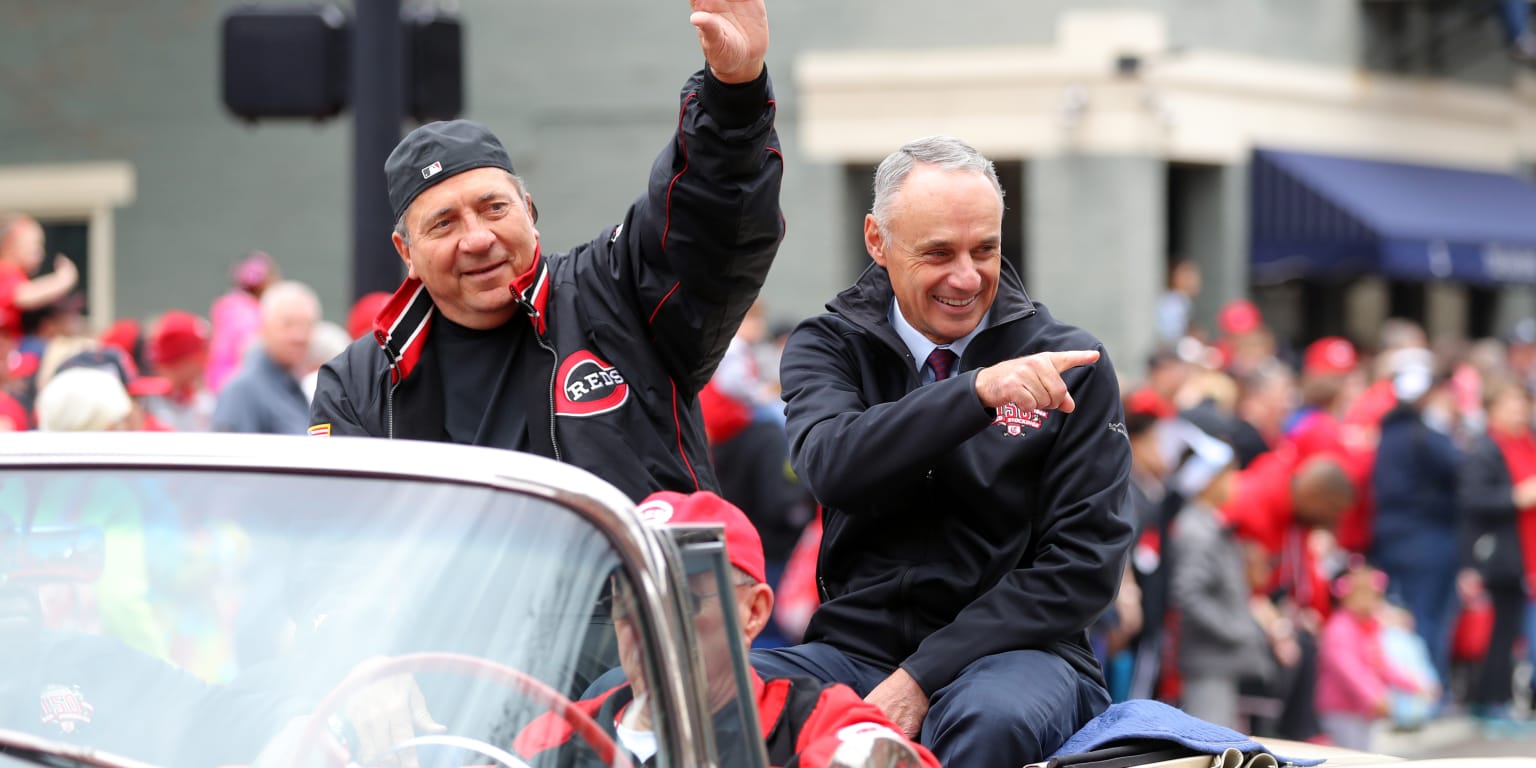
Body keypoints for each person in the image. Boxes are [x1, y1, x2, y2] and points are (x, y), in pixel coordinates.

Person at [754, 136, 1133, 766]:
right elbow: (831, 466)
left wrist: (922, 675)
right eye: (938, 253)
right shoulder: (828, 344)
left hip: (1021, 656)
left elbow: (1083, 568)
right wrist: (975, 393)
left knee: (988, 720)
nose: (966, 276)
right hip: (853, 650)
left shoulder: (1072, 364)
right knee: (682, 694)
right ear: (877, 241)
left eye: (985, 249)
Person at [309, 0, 783, 503]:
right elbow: (341, 526)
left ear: (529, 213)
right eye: (444, 223)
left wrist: (734, 91)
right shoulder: (357, 383)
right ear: (406, 252)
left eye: (493, 208)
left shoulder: (617, 292)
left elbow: (704, 218)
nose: (477, 238)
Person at [513, 490, 939, 767]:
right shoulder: (555, 735)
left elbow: (880, 755)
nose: (648, 622)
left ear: (753, 612)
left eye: (684, 598)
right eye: (630, 599)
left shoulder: (818, 721)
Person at [1168, 431, 1271, 729]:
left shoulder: (1209, 524)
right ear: (1209, 480)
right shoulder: (1196, 530)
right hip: (1208, 659)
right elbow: (1188, 593)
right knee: (1209, 739)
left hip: (1219, 659)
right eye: (1229, 475)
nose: (1235, 482)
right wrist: (1234, 629)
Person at [1457, 378, 1533, 723]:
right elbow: (1473, 500)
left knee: (1514, 631)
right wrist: (1516, 497)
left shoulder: (1527, 442)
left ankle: (1505, 699)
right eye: (1510, 404)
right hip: (1501, 554)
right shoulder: (1485, 449)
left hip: (1526, 553)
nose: (1518, 410)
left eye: (1520, 403)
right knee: (1499, 631)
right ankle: (1490, 702)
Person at [214, 281, 319, 435]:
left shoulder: (294, 386)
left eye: (307, 325)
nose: (299, 336)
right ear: (264, 328)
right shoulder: (242, 391)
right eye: (288, 324)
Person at [0, 214, 80, 347]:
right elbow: (24, 295)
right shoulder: (5, 271)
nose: (41, 253)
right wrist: (63, 280)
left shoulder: (17, 275)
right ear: (10, 244)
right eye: (35, 246)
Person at [207, 250, 279, 394]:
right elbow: (250, 351)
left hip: (216, 377)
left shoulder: (224, 304)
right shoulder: (254, 313)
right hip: (241, 383)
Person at [143, 310, 215, 432]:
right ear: (180, 362)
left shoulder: (204, 402)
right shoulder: (144, 403)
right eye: (197, 358)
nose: (203, 364)